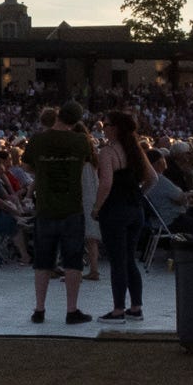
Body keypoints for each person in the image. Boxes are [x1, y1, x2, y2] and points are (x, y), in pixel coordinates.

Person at [23, 104, 95, 324]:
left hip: (45, 207)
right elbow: (86, 162)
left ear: (58, 115)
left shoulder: (38, 140)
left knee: (42, 262)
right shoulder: (81, 141)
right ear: (76, 121)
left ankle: (39, 309)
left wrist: (43, 170)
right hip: (72, 207)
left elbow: (27, 166)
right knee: (73, 261)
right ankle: (71, 310)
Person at [94, 110, 151, 321]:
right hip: (135, 208)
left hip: (115, 209)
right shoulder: (136, 150)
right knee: (130, 259)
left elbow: (106, 184)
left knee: (117, 261)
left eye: (106, 125)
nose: (103, 129)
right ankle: (136, 307)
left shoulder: (108, 152)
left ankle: (118, 309)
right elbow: (153, 178)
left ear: (115, 128)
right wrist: (139, 194)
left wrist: (96, 207)